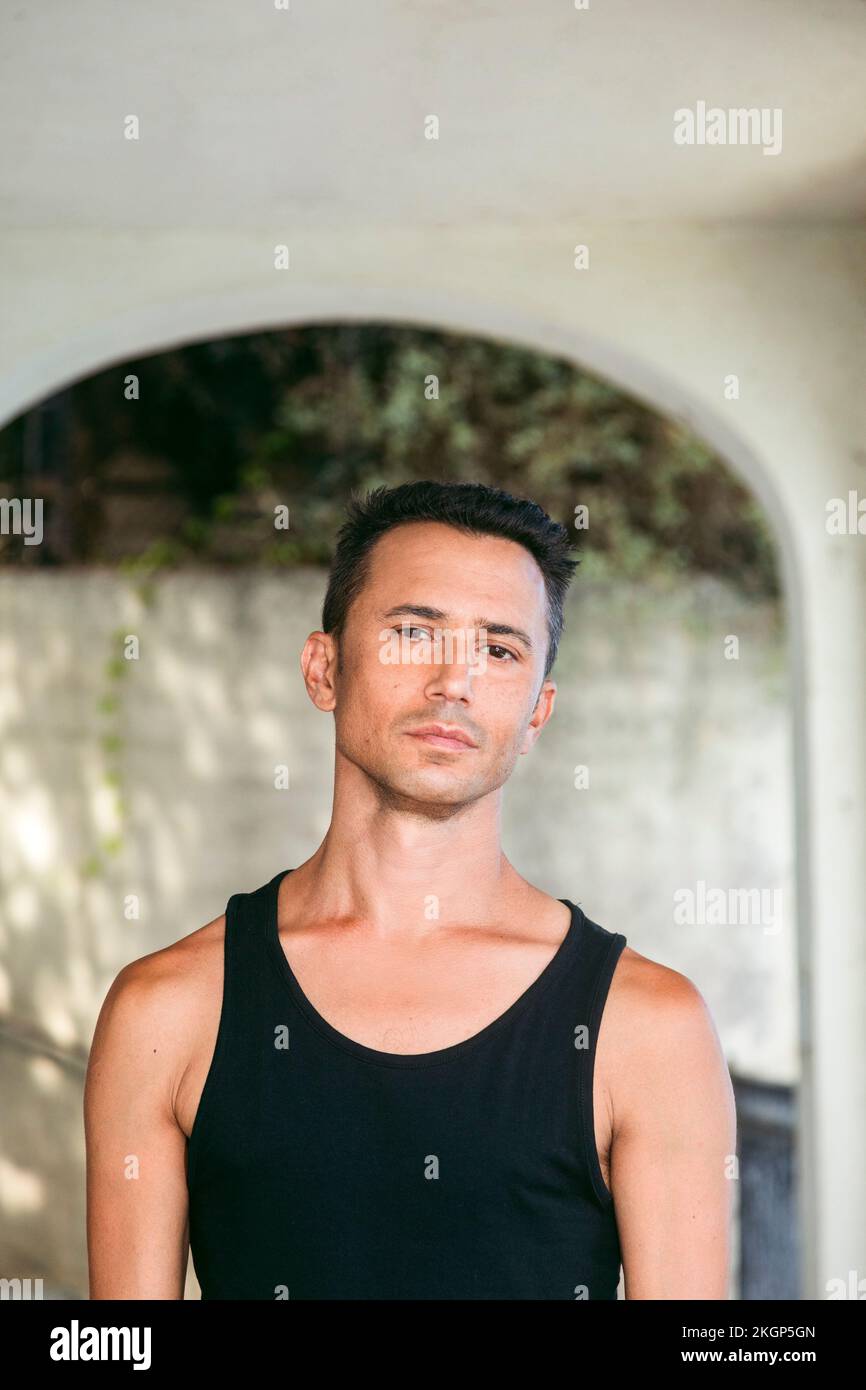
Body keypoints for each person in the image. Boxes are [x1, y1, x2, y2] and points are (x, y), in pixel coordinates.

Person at [85, 479, 736, 1299]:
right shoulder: (167, 1010)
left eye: (500, 649)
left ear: (538, 712)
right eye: (412, 634)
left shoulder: (650, 1029)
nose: (453, 681)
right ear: (324, 669)